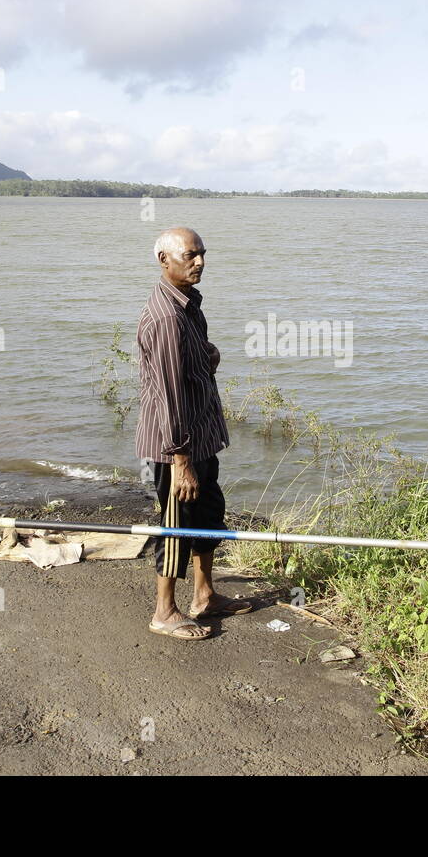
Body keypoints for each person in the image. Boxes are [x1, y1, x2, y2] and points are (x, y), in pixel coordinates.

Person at [136, 226, 253, 640]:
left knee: (207, 512)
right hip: (176, 447)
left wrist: (209, 354)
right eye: (190, 255)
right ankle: (164, 612)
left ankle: (204, 595)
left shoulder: (187, 304)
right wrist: (180, 461)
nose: (200, 261)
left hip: (198, 437)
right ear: (164, 260)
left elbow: (192, 362)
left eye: (202, 253)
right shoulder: (167, 316)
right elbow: (169, 396)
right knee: (175, 525)